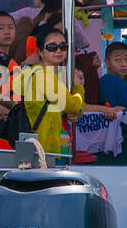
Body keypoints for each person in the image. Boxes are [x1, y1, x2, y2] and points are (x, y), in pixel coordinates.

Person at [9, 27, 85, 157]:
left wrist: (77, 112)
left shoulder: (57, 74)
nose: (59, 50)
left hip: (49, 142)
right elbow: (73, 105)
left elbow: (71, 108)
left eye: (63, 46)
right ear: (40, 51)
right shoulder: (43, 76)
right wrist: (78, 87)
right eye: (51, 47)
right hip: (45, 146)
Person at [98, 41, 127, 109]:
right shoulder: (111, 81)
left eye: (126, 59)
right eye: (118, 60)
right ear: (107, 62)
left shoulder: (103, 80)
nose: (123, 64)